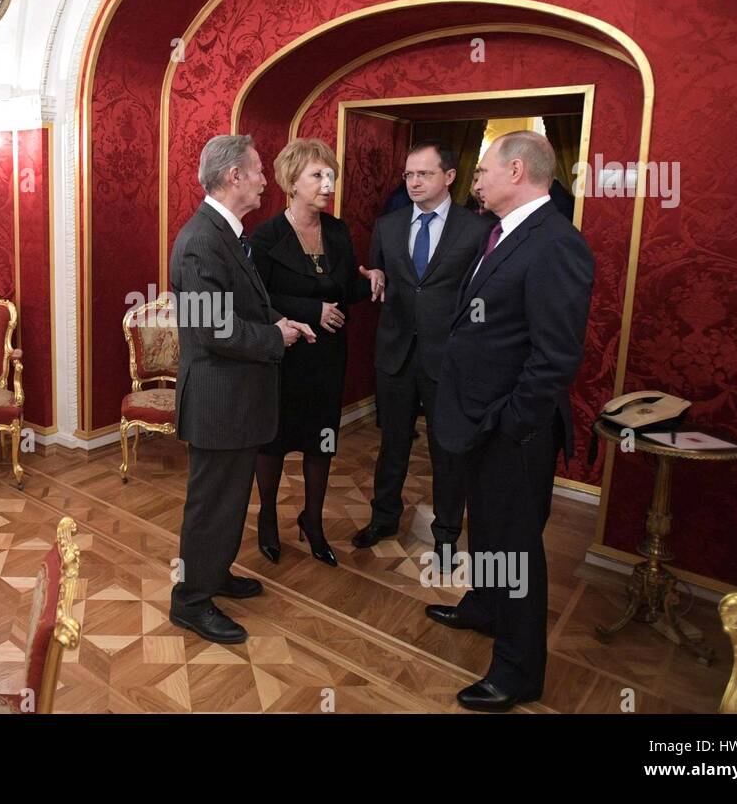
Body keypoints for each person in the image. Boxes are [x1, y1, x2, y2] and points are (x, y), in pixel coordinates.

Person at [427, 130, 595, 712]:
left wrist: (509, 422)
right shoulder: (503, 233)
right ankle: (485, 607)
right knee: (490, 528)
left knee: (517, 547)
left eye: (481, 172)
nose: (474, 182)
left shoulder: (555, 244)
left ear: (517, 171)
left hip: (513, 431)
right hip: (479, 420)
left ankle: (519, 670)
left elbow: (555, 357)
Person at [168, 134, 315, 645]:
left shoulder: (226, 232)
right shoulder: (201, 241)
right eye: (256, 170)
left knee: (229, 501)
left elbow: (246, 307)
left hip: (236, 399)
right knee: (211, 504)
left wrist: (281, 318)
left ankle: (215, 574)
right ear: (233, 176)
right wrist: (276, 336)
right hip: (218, 402)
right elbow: (214, 329)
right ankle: (189, 600)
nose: (262, 180)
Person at [354, 141, 492, 567]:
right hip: (396, 354)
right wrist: (374, 275)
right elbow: (379, 278)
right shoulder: (388, 226)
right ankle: (383, 518)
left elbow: (483, 293)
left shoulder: (477, 229)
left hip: (448, 358)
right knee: (392, 443)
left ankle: (447, 534)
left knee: (446, 449)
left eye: (424, 174)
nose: (414, 182)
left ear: (449, 176)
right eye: (409, 175)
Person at [249, 138, 381, 566]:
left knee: (321, 443)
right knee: (272, 443)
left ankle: (314, 522)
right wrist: (311, 309)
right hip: (282, 357)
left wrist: (374, 277)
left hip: (326, 359)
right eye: (318, 176)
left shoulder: (338, 231)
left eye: (331, 176)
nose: (328, 185)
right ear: (291, 181)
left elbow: (345, 290)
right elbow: (257, 299)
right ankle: (267, 520)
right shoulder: (266, 236)